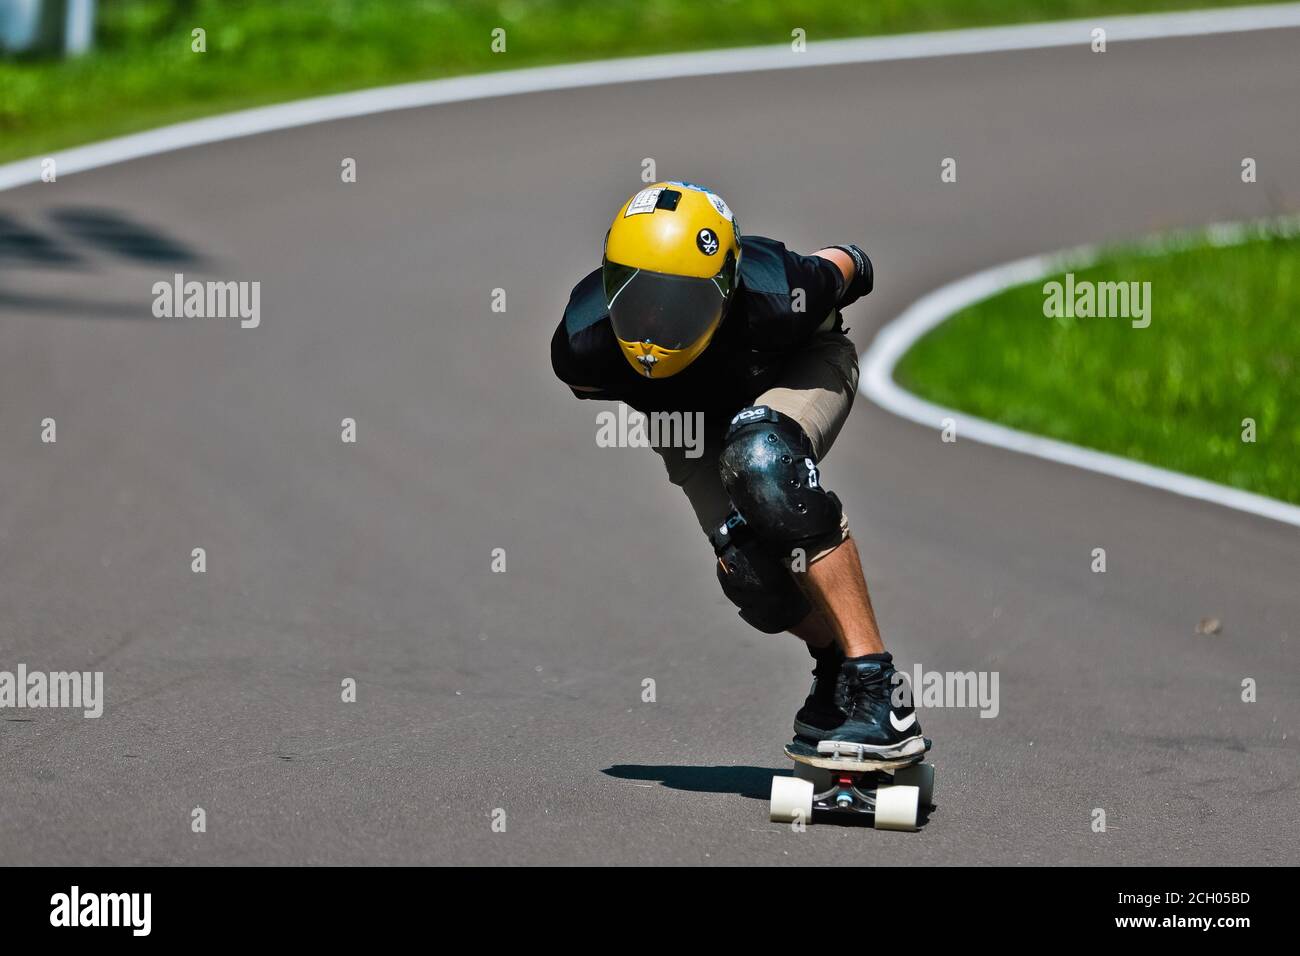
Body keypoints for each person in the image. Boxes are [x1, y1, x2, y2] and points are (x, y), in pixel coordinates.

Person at [550, 181, 923, 758]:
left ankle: (882, 693)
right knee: (752, 575)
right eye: (635, 296)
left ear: (727, 289)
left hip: (803, 365)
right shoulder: (582, 345)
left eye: (682, 303)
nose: (655, 326)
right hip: (691, 421)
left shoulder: (779, 292)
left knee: (763, 462)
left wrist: (848, 262)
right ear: (608, 283)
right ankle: (835, 672)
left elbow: (848, 266)